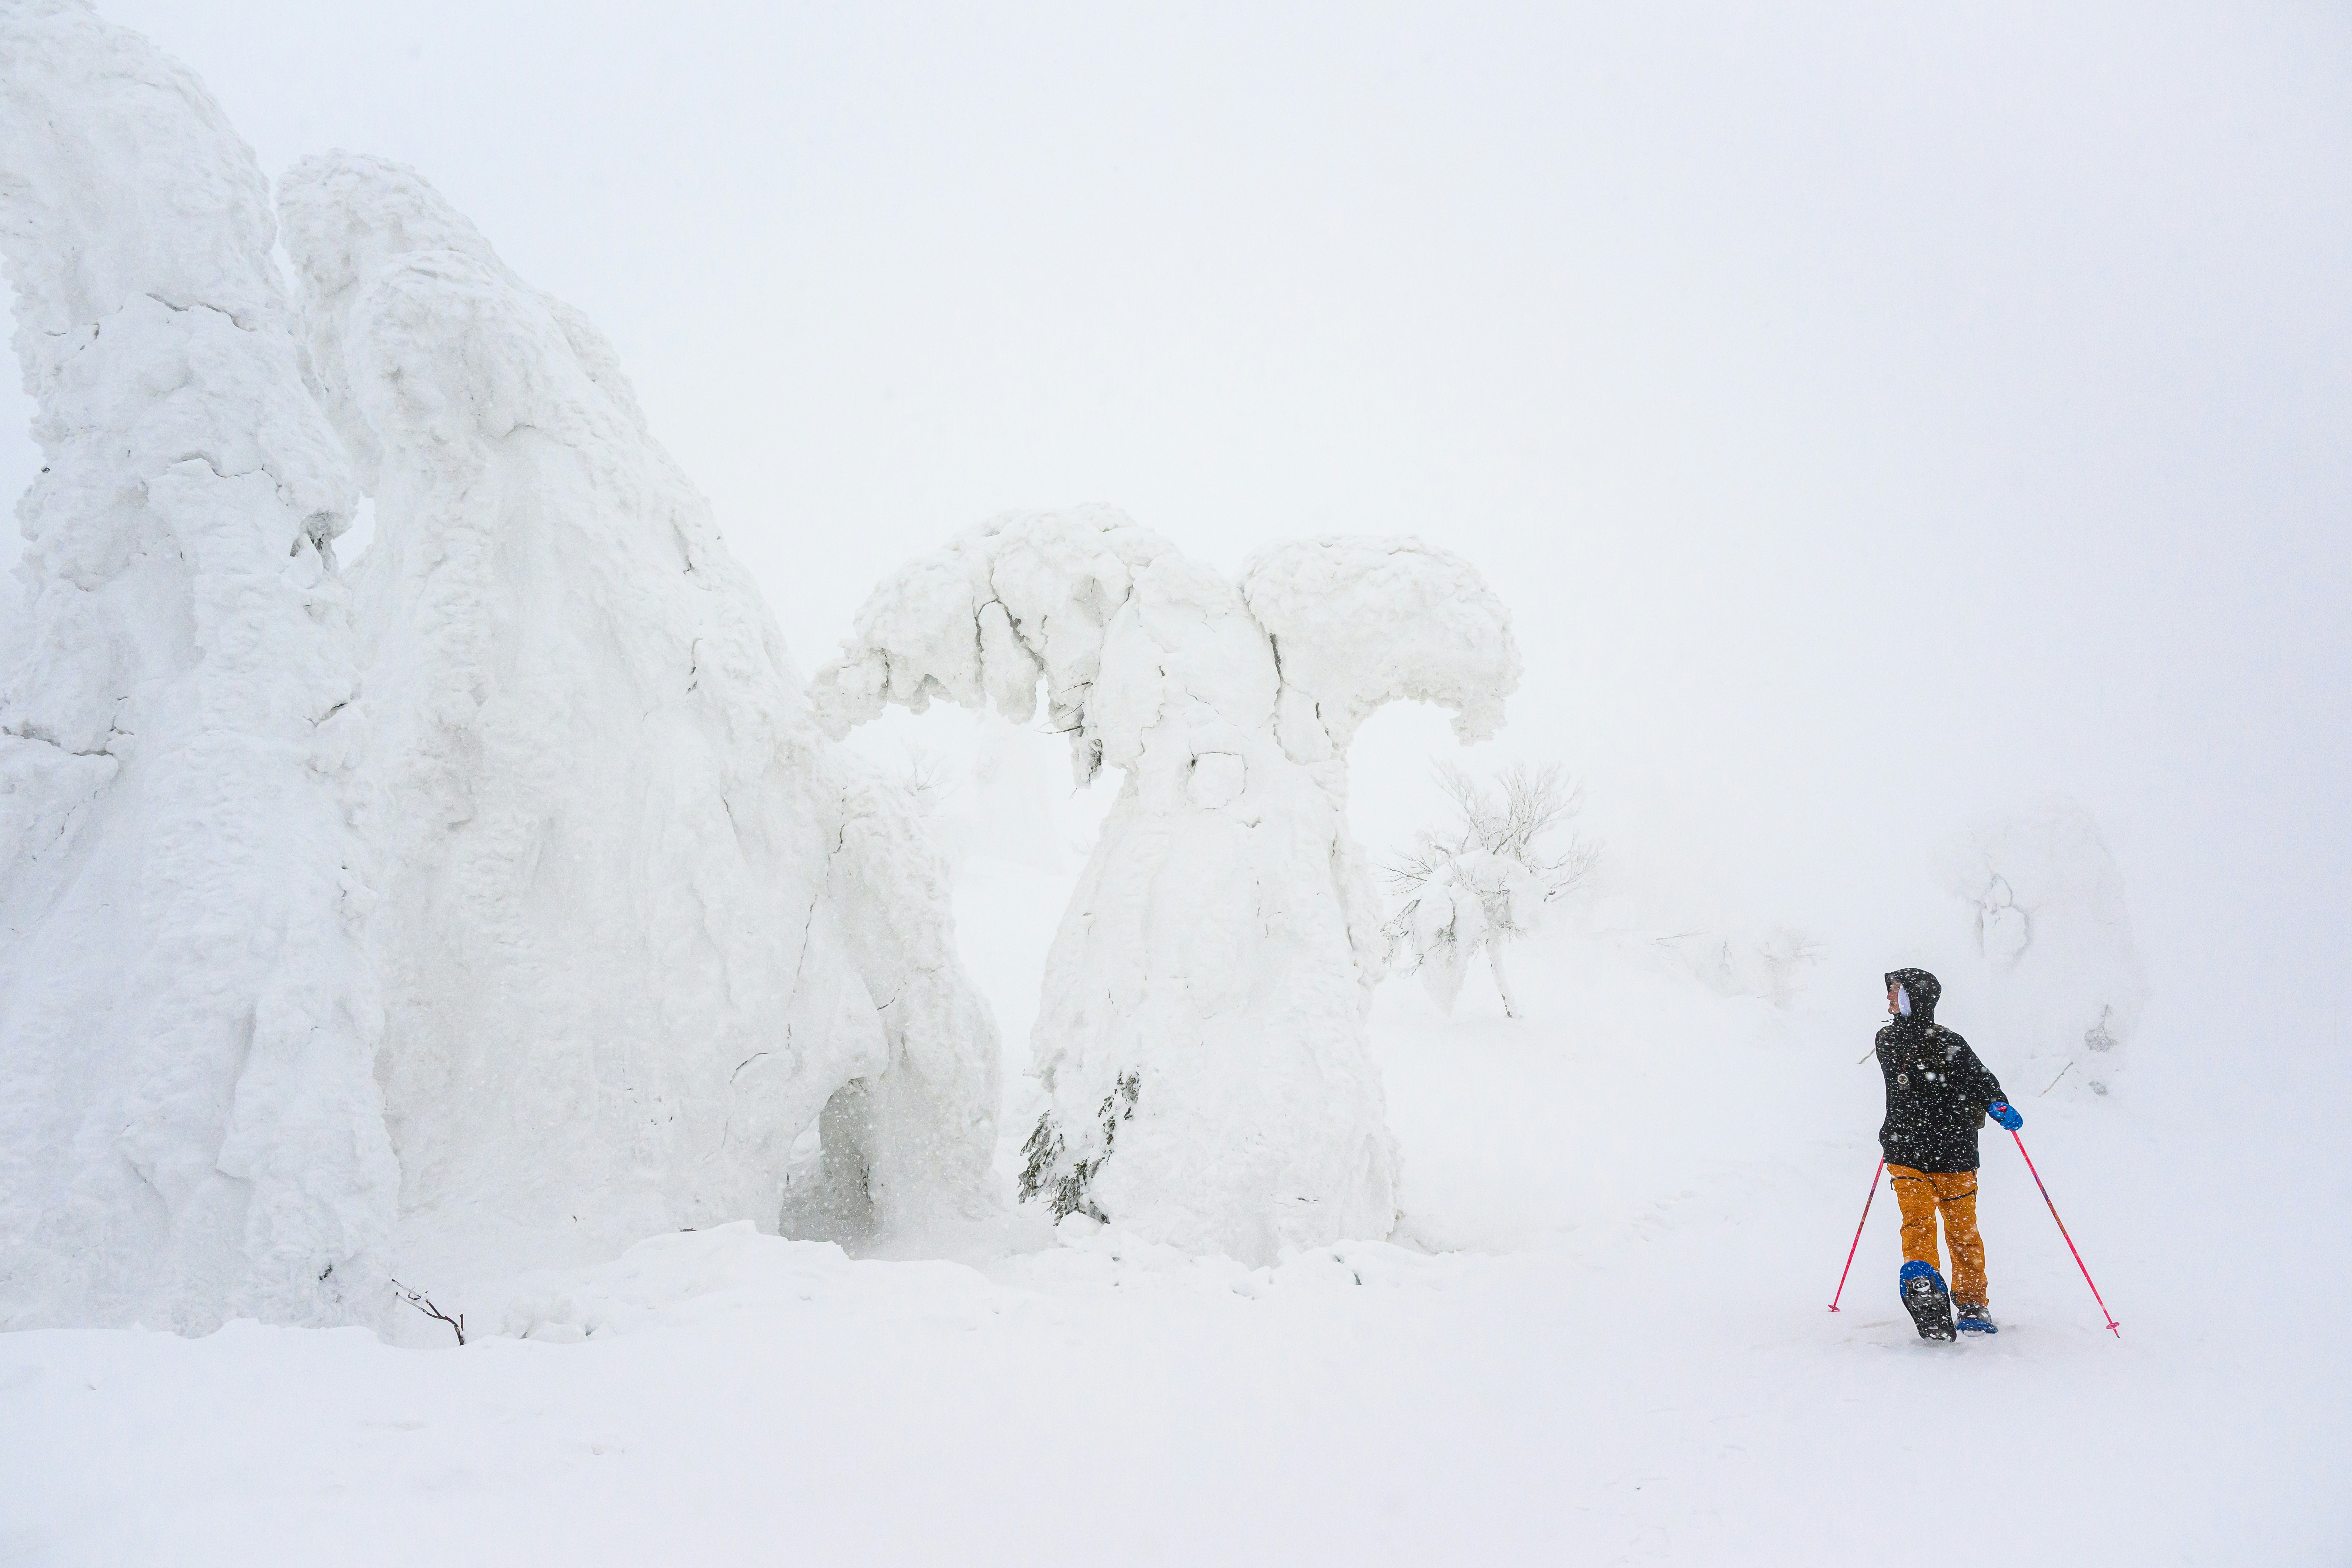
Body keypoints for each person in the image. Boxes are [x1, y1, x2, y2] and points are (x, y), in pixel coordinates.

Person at [1875, 967, 2022, 1339]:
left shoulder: (1949, 1044)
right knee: (1918, 1221)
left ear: (1914, 997)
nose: (1890, 998)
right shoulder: (1888, 1041)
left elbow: (1979, 1078)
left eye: (1896, 992)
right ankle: (1924, 1279)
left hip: (1953, 1151)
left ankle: (1972, 1302)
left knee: (1962, 1231)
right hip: (1907, 1151)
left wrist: (1996, 1103)